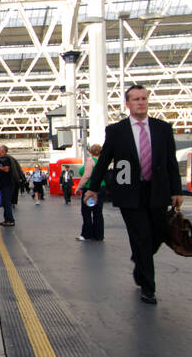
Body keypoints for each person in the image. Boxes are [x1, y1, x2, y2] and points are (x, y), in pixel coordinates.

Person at [83, 84, 183, 304]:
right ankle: (149, 288)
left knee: (158, 233)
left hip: (157, 191)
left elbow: (170, 162)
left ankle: (140, 259)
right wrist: (92, 187)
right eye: (136, 99)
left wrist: (177, 190)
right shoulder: (117, 131)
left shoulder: (163, 129)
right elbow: (105, 160)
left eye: (144, 98)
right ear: (127, 104)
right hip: (129, 191)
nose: (141, 102)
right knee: (142, 236)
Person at [77, 144, 105, 241]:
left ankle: (86, 234)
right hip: (101, 188)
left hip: (90, 189)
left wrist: (78, 187)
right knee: (98, 212)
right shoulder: (102, 162)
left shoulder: (91, 162)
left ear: (91, 152)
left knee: (86, 212)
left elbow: (86, 176)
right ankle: (99, 235)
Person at [0, 144, 16, 226]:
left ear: (3, 151)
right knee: (5, 202)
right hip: (6, 185)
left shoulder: (5, 159)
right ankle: (7, 220)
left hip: (7, 184)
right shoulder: (4, 159)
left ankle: (10, 220)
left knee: (6, 202)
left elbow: (6, 169)